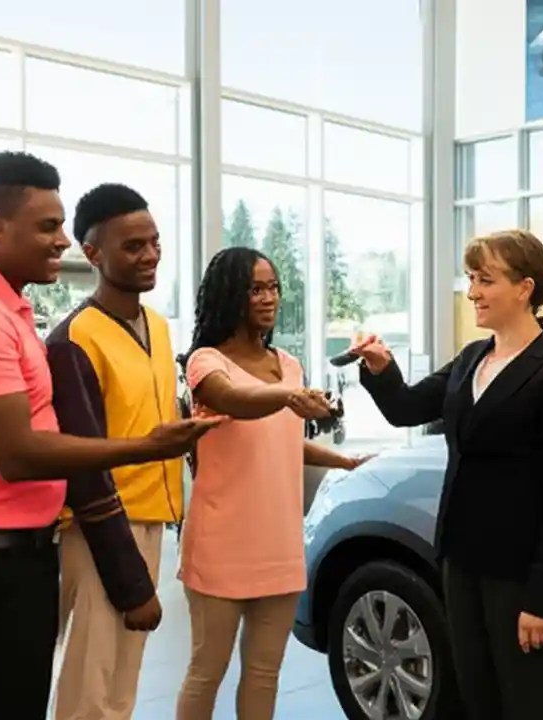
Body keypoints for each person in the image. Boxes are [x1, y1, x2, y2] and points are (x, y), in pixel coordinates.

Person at [0, 151, 221, 720]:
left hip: (23, 552)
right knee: (78, 696)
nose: (62, 242)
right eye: (48, 227)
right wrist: (147, 448)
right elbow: (17, 453)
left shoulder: (9, 310)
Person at [348, 229, 543, 720]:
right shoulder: (472, 359)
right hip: (461, 560)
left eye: (485, 280)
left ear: (525, 288)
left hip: (518, 572)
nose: (474, 292)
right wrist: (381, 369)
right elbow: (407, 407)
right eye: (471, 279)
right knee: (478, 697)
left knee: (530, 703)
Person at [175, 246, 369, 720]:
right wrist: (288, 395)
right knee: (207, 670)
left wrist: (344, 461)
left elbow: (280, 440)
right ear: (229, 294)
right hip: (221, 543)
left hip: (279, 542)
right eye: (255, 288)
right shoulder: (206, 362)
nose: (269, 298)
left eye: (274, 287)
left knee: (264, 672)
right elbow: (238, 402)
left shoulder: (290, 365)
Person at [45, 183, 184, 720]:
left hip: (150, 523)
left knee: (121, 688)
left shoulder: (159, 328)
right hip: (98, 532)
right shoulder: (74, 340)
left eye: (154, 242)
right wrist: (131, 582)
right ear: (93, 253)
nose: (149, 255)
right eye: (133, 246)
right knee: (89, 691)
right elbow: (86, 469)